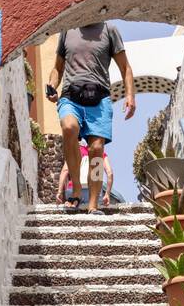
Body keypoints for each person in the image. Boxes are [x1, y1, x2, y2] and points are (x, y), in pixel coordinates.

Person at [45, 22, 134, 212]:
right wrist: (52, 85)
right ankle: (76, 189)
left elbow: (125, 67)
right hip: (70, 96)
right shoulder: (67, 30)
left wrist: (130, 95)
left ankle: (93, 204)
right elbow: (57, 68)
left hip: (99, 98)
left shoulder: (109, 31)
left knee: (96, 149)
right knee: (69, 128)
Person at [56, 140, 114, 207]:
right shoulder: (100, 153)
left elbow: (65, 171)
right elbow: (110, 173)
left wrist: (59, 192)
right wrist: (107, 194)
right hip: (94, 191)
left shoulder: (75, 152)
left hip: (72, 189)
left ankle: (73, 202)